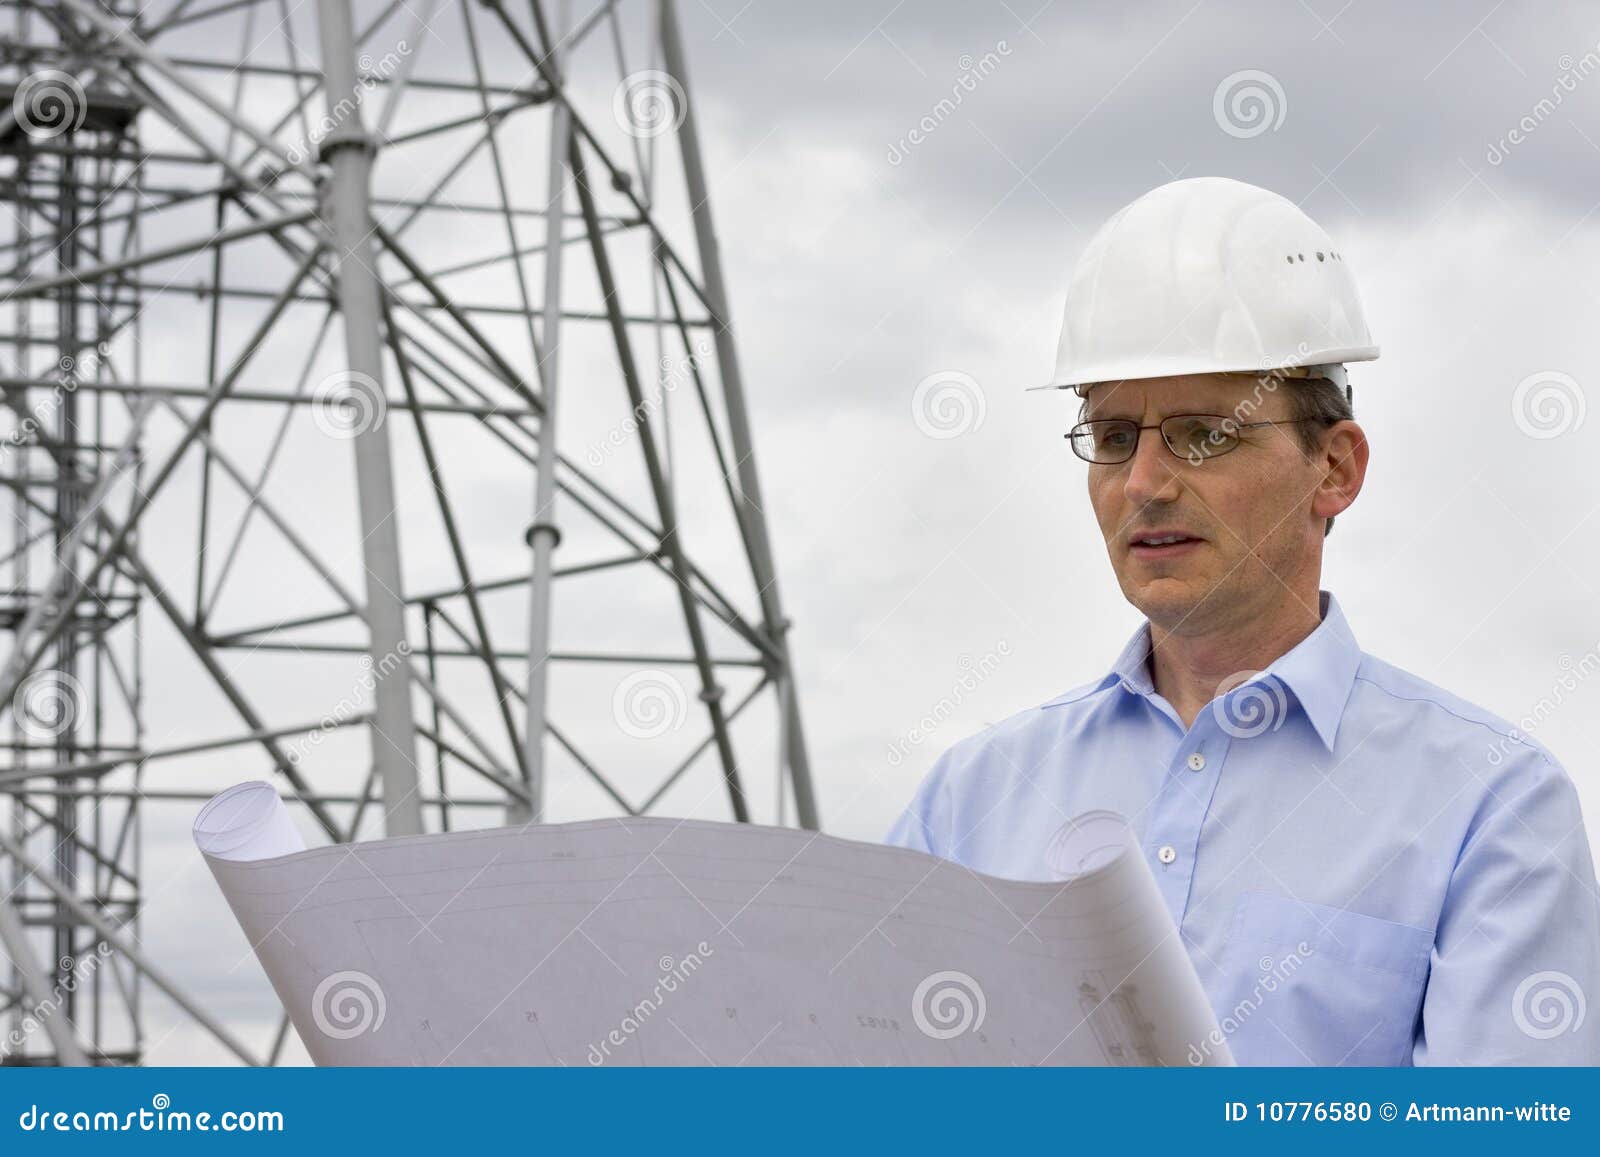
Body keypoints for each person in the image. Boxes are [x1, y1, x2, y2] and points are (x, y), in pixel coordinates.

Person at [884, 176, 1600, 1066]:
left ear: (1333, 468)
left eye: (1206, 434)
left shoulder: (1491, 808)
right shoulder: (971, 800)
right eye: (1113, 437)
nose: (1144, 482)